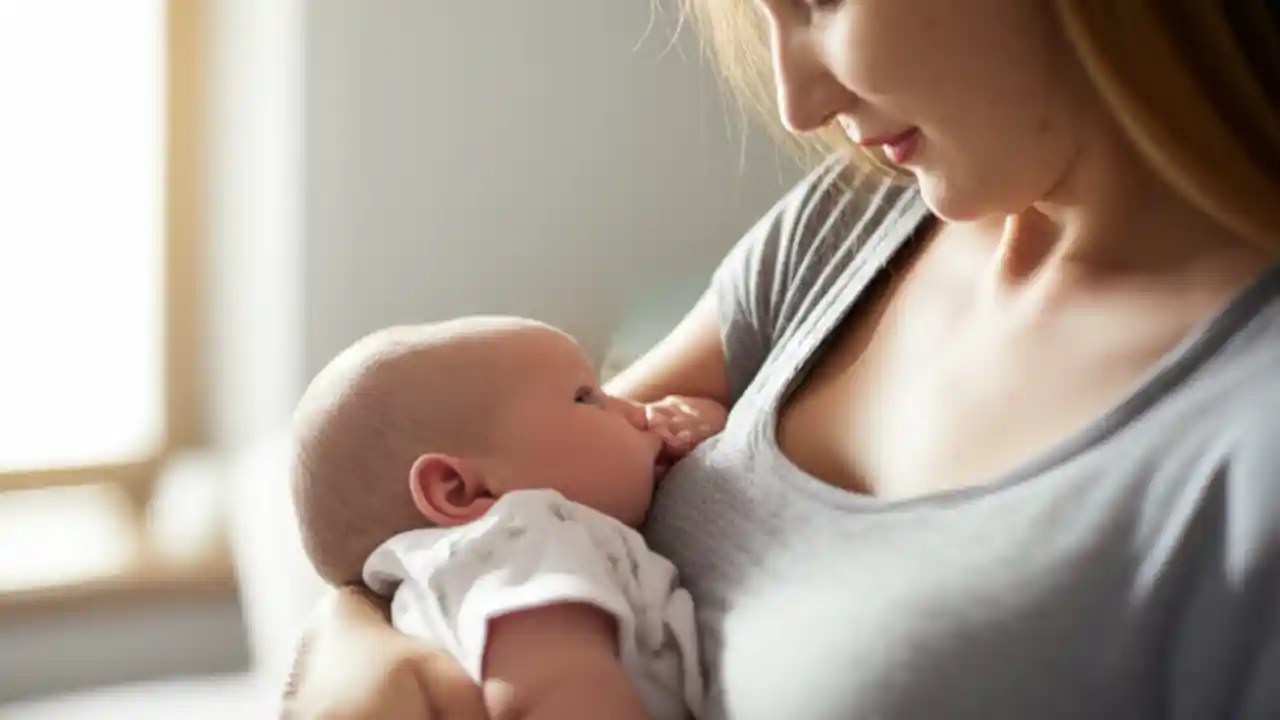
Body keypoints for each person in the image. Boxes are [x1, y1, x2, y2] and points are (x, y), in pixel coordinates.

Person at [282, 1, 1280, 718]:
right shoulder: (847, 231)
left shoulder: (1238, 446)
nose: (797, 102)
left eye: (820, 0)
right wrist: (341, 659)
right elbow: (455, 493)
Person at [290, 317, 722, 719]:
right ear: (460, 490)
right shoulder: (522, 537)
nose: (633, 408)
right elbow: (559, 693)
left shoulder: (463, 570)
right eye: (586, 397)